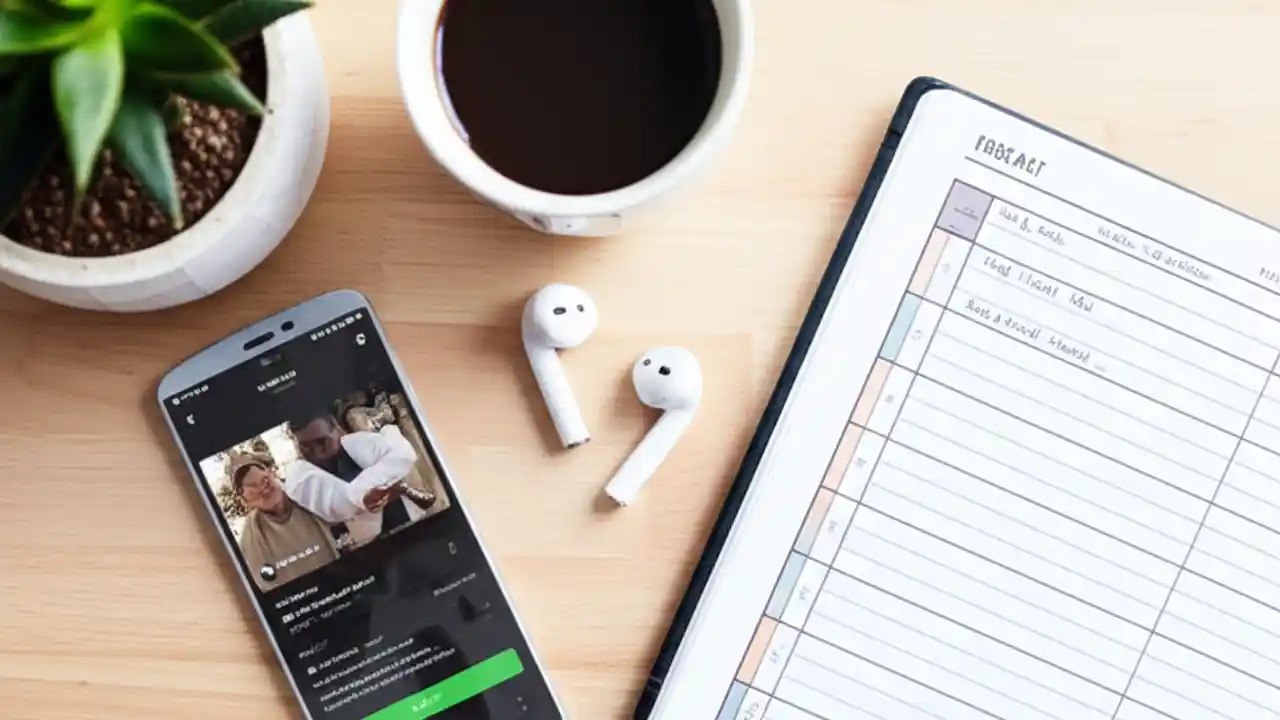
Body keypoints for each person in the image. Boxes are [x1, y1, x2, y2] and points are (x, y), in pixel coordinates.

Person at [284, 410, 433, 547]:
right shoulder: (302, 476)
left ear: (336, 429)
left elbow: (404, 455)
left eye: (322, 442)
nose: (316, 452)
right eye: (305, 446)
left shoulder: (362, 442)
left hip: (409, 521)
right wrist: (384, 488)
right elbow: (339, 507)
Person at [233, 458, 340, 592]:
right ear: (246, 501)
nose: (264, 489)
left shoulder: (304, 494)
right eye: (255, 488)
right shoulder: (253, 534)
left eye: (266, 481)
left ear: (273, 476)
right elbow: (263, 581)